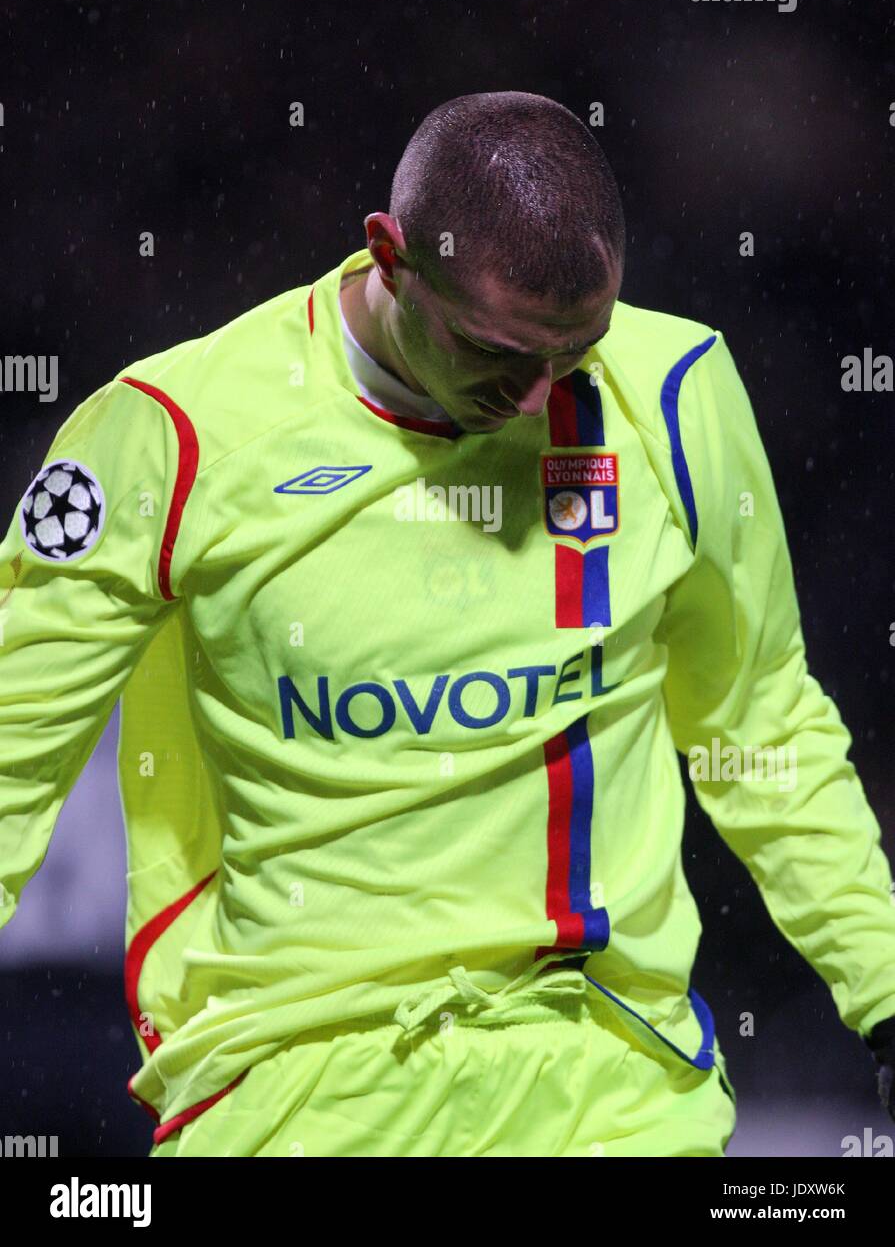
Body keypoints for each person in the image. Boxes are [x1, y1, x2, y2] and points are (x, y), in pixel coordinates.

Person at [2, 90, 893, 1158]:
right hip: (296, 1083)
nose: (532, 398)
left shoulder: (674, 394)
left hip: (607, 1074)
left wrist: (884, 989)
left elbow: (760, 725)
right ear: (389, 254)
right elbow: (13, 759)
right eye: (494, 351)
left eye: (572, 353)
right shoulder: (173, 438)